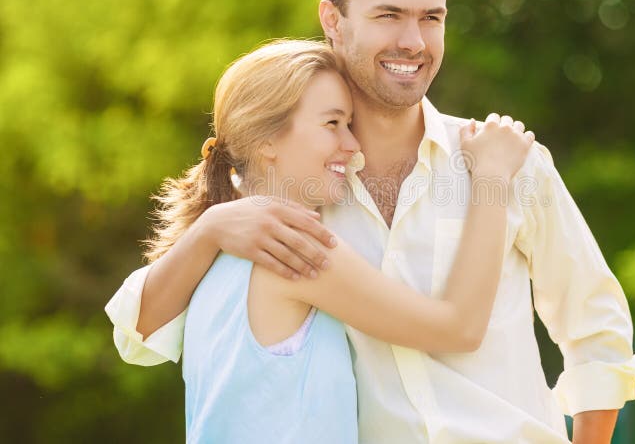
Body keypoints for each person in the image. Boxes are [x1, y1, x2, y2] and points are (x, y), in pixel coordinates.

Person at [106, 0, 635, 444]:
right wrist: (214, 226)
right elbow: (141, 333)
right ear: (333, 20)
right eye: (388, 14)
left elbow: (596, 333)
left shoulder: (510, 162)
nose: (413, 41)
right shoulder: (296, 194)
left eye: (431, 17)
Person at [136, 39, 533, 443]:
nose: (353, 144)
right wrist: (492, 177)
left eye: (350, 125)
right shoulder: (291, 244)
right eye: (333, 124)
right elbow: (459, 329)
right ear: (266, 140)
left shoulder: (213, 253)